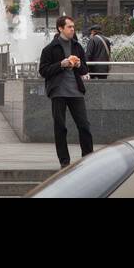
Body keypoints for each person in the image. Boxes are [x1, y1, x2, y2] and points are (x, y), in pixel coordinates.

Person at [38, 16, 93, 168]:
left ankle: (88, 159)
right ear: (60, 28)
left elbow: (84, 70)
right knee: (60, 127)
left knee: (84, 126)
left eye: (73, 27)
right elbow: (43, 71)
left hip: (76, 91)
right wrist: (60, 64)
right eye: (69, 27)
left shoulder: (77, 47)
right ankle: (64, 162)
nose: (72, 29)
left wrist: (80, 65)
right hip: (58, 92)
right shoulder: (50, 48)